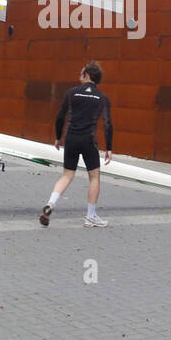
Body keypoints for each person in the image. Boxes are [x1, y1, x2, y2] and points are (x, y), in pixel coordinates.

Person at [39, 61, 113, 228]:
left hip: (71, 138)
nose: (79, 75)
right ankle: (90, 216)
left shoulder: (71, 93)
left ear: (86, 75)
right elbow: (107, 124)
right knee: (94, 177)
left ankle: (51, 204)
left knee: (67, 175)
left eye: (81, 73)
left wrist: (58, 137)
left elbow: (60, 117)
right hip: (89, 141)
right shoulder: (102, 98)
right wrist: (109, 147)